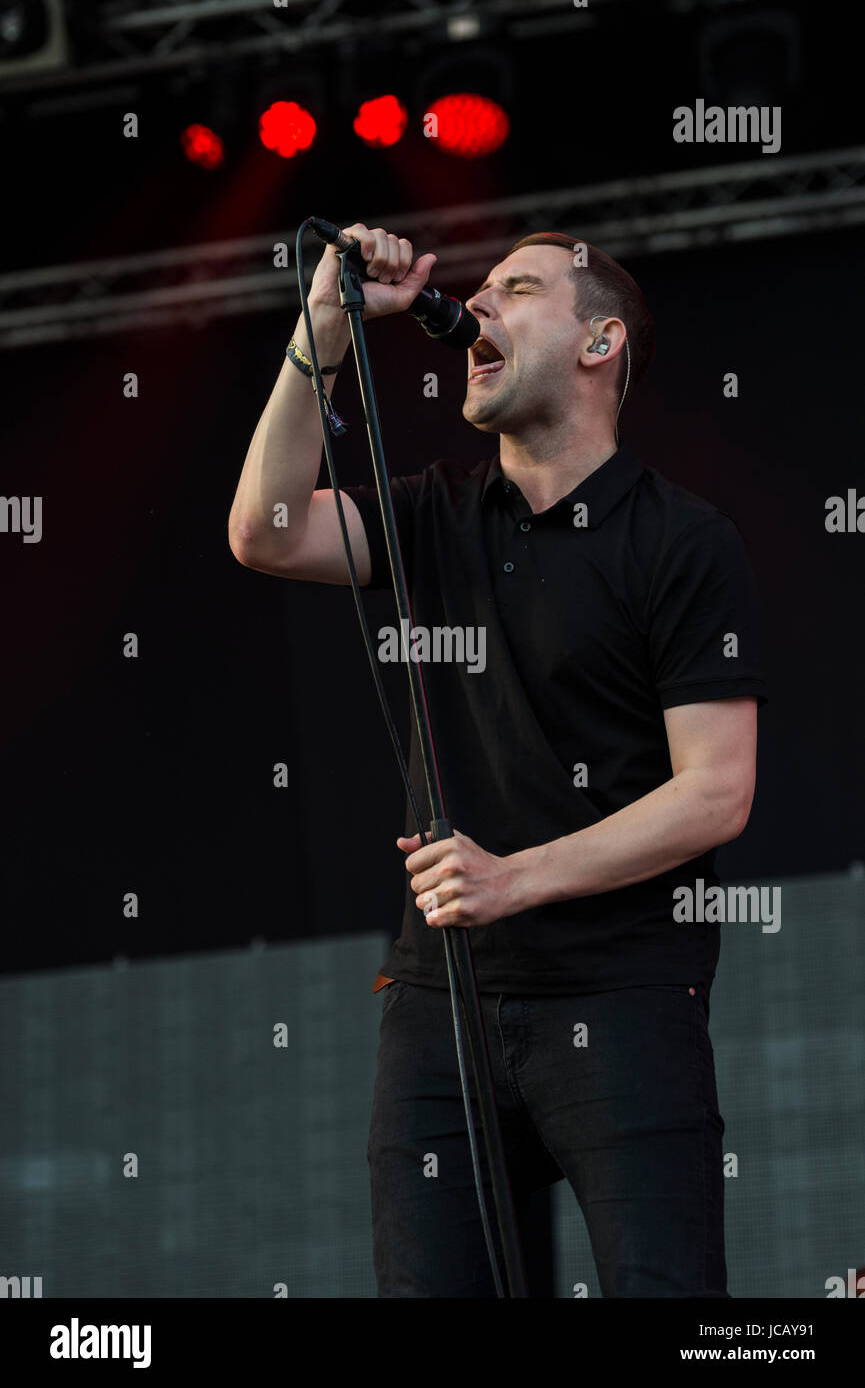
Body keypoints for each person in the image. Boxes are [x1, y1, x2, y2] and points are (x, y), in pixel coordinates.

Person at [228, 225, 768, 1298]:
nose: (476, 308)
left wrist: (513, 876)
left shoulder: (678, 540)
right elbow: (267, 530)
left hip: (624, 995)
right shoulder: (438, 513)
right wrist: (325, 322)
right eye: (474, 292)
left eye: (516, 289)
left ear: (599, 341)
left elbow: (716, 791)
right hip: (441, 1008)